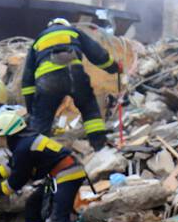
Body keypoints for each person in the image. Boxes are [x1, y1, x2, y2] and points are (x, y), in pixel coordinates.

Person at [20, 16, 120, 150]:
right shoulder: (73, 31)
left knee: (41, 120)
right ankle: (99, 145)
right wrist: (113, 67)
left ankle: (35, 153)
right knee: (89, 108)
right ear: (65, 24)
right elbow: (97, 53)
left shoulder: (38, 40)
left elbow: (27, 79)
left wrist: (31, 109)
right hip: (75, 75)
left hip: (48, 81)